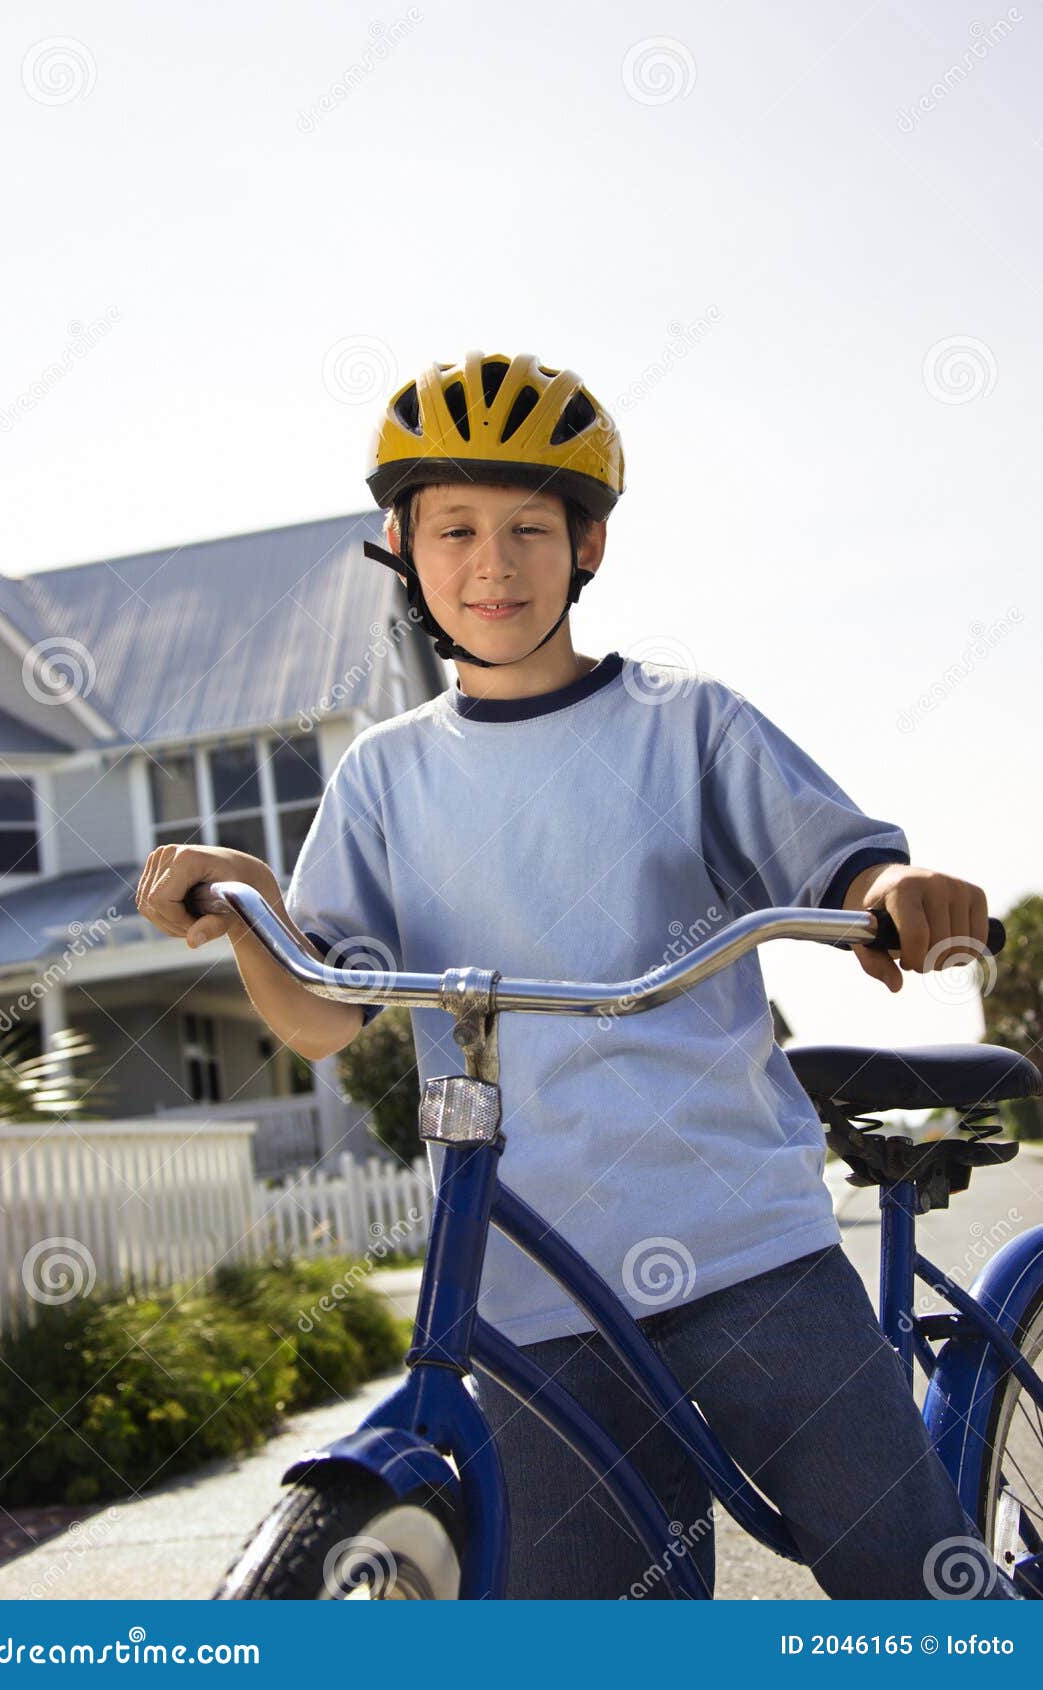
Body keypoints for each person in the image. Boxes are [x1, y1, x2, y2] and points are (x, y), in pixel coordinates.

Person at [135, 350, 1020, 1600]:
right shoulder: (384, 777)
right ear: (401, 544)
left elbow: (840, 867)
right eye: (453, 528)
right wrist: (250, 908)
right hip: (531, 1291)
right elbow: (323, 1011)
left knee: (913, 1592)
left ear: (587, 545)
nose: (489, 563)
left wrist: (889, 900)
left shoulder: (684, 722)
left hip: (737, 1249)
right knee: (605, 1636)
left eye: (527, 528)